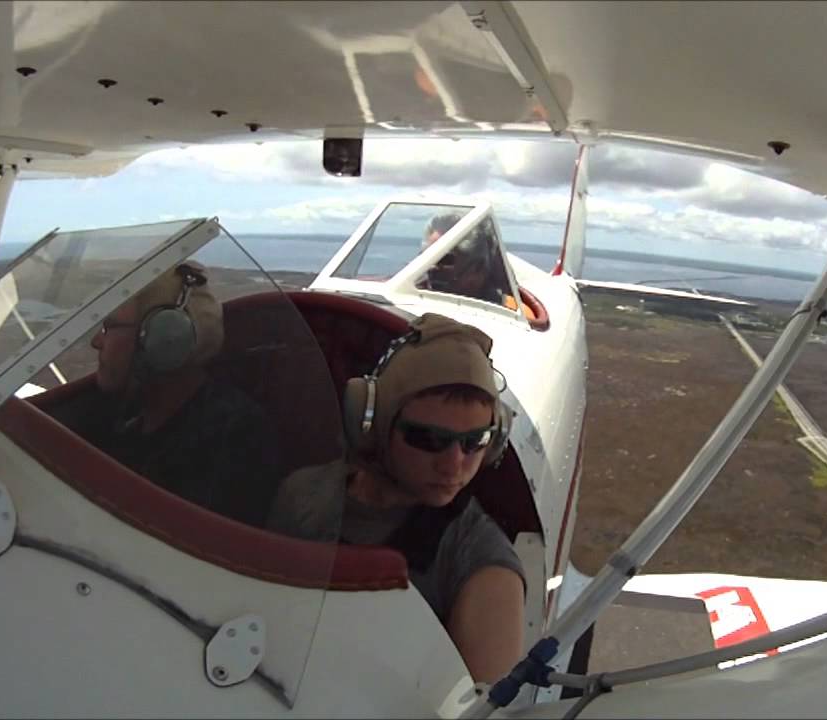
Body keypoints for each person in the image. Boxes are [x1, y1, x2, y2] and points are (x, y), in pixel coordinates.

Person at [266, 313, 525, 683]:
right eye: (428, 439)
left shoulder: (481, 563)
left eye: (475, 442)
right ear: (371, 425)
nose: (454, 465)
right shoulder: (301, 496)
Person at [51, 260, 281, 528]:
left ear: (163, 338)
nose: (97, 342)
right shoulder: (123, 413)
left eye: (109, 328)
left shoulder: (232, 435)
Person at [420, 212, 537, 321]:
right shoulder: (415, 298)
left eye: (444, 259)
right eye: (426, 257)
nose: (431, 267)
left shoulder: (515, 315)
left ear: (478, 269)